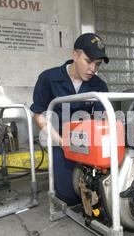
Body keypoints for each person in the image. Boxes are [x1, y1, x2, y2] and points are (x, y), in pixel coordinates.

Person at [31, 33, 109, 206]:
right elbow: (39, 114)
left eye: (97, 64)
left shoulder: (99, 85)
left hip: (87, 142)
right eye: (88, 61)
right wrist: (61, 142)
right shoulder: (48, 78)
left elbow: (101, 121)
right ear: (75, 55)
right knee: (69, 197)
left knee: (99, 190)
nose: (93, 69)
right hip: (59, 141)